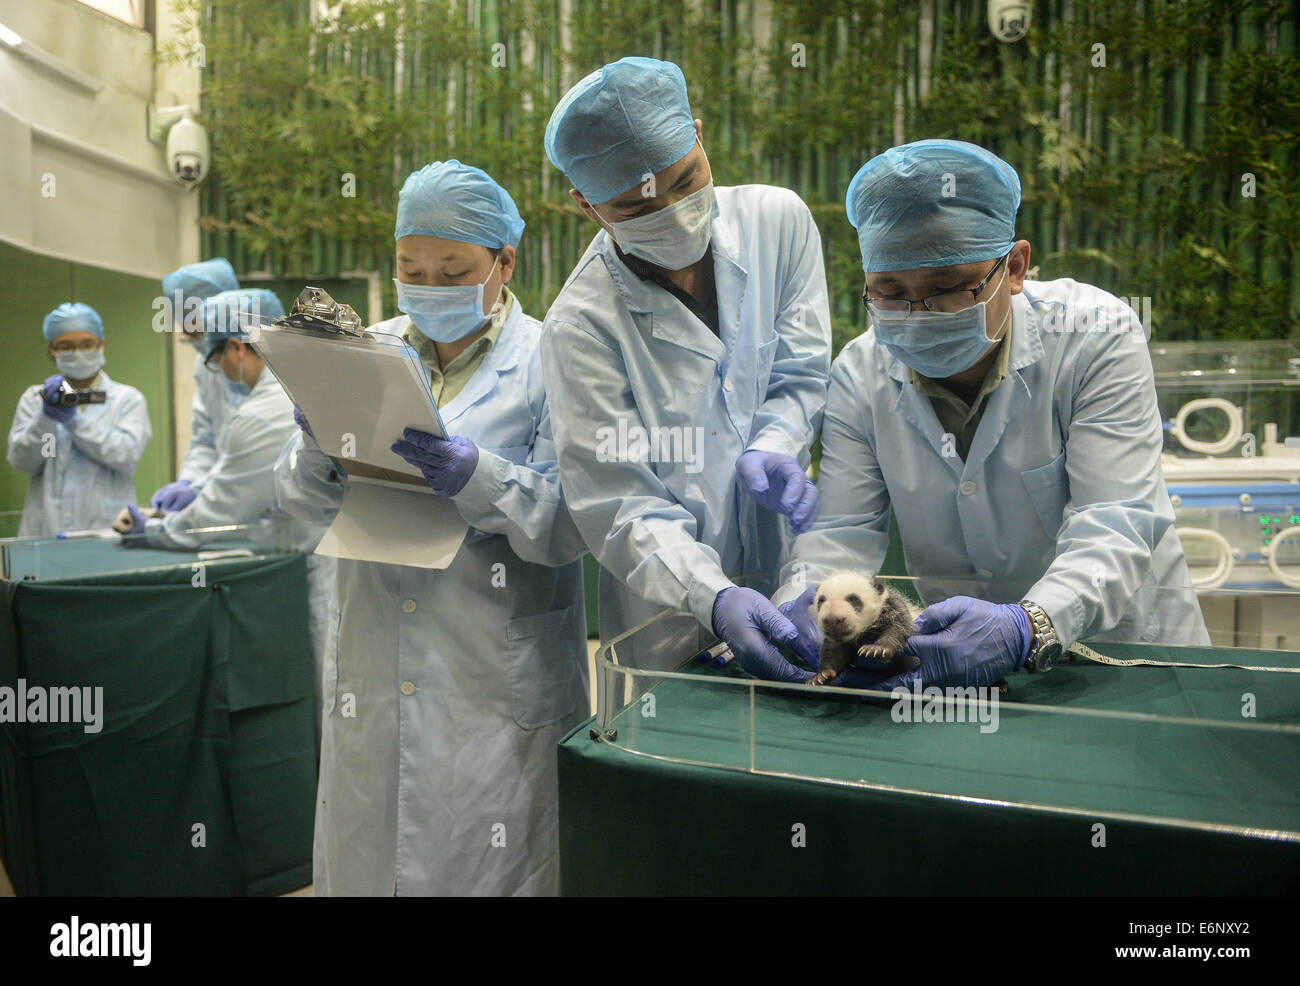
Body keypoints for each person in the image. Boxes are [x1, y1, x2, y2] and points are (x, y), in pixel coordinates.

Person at [772, 138, 1209, 691]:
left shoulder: (1096, 336)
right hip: (953, 667)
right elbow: (841, 532)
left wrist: (1029, 624)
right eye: (888, 292)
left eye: (947, 287)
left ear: (1017, 266)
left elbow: (1116, 520)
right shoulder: (860, 373)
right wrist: (800, 612)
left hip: (1115, 652)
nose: (918, 313)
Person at [274, 160, 590, 896]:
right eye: (410, 268)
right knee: (371, 853)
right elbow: (300, 506)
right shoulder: (364, 353)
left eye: (454, 271)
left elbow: (574, 525)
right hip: (376, 658)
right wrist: (320, 451)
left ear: (504, 262)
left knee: (494, 863)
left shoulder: (554, 359)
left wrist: (477, 476)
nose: (429, 287)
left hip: (490, 680)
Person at [539, 56, 832, 678]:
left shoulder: (778, 222)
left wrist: (776, 442)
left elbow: (800, 369)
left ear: (699, 133)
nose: (669, 210)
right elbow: (618, 500)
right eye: (634, 206)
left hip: (795, 562)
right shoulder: (580, 324)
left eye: (684, 180)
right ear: (585, 205)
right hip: (669, 619)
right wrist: (713, 594)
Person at [6, 303, 151, 537]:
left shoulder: (127, 399)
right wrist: (45, 419)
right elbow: (24, 462)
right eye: (66, 346)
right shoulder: (36, 400)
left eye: (87, 344)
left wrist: (75, 422)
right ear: (52, 351)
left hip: (107, 529)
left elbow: (124, 456)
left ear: (101, 345)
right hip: (46, 532)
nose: (78, 352)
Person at [149, 259, 241, 513]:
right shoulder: (205, 367)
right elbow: (207, 439)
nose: (200, 343)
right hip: (225, 502)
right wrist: (188, 481)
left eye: (200, 331)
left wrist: (201, 488)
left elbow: (259, 454)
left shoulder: (270, 364)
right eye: (189, 335)